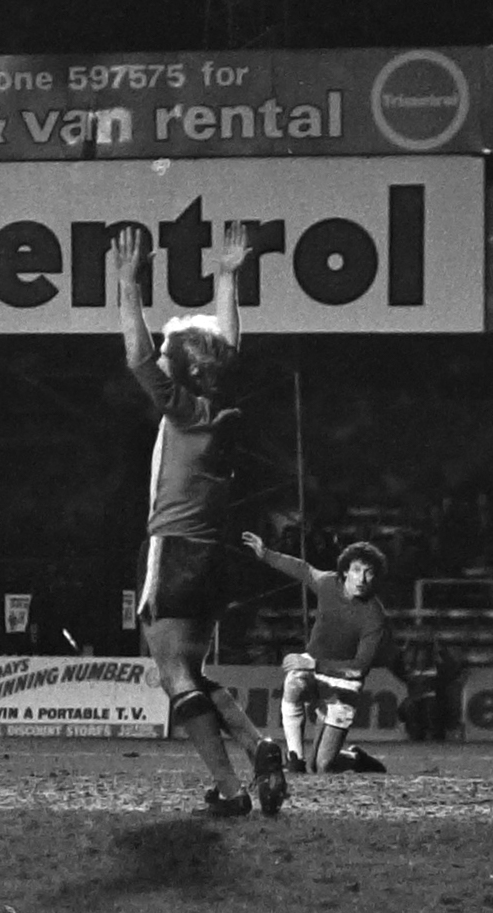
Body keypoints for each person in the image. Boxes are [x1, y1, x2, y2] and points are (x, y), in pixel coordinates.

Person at [110, 220, 286, 819]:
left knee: (172, 675)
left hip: (174, 545)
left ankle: (231, 791)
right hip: (212, 555)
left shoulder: (184, 411)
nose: (161, 351)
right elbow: (227, 351)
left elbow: (137, 356)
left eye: (170, 351)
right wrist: (227, 279)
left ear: (182, 370)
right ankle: (260, 748)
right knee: (192, 668)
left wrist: (128, 286)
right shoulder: (223, 407)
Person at [242, 532, 392, 775]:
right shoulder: (328, 585)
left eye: (369, 572)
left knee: (323, 765)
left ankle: (356, 759)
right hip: (315, 669)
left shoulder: (374, 615)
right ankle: (295, 760)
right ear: (345, 571)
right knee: (294, 680)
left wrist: (314, 665)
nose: (362, 578)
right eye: (356, 570)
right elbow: (302, 569)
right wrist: (266, 554)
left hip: (345, 682)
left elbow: (360, 667)